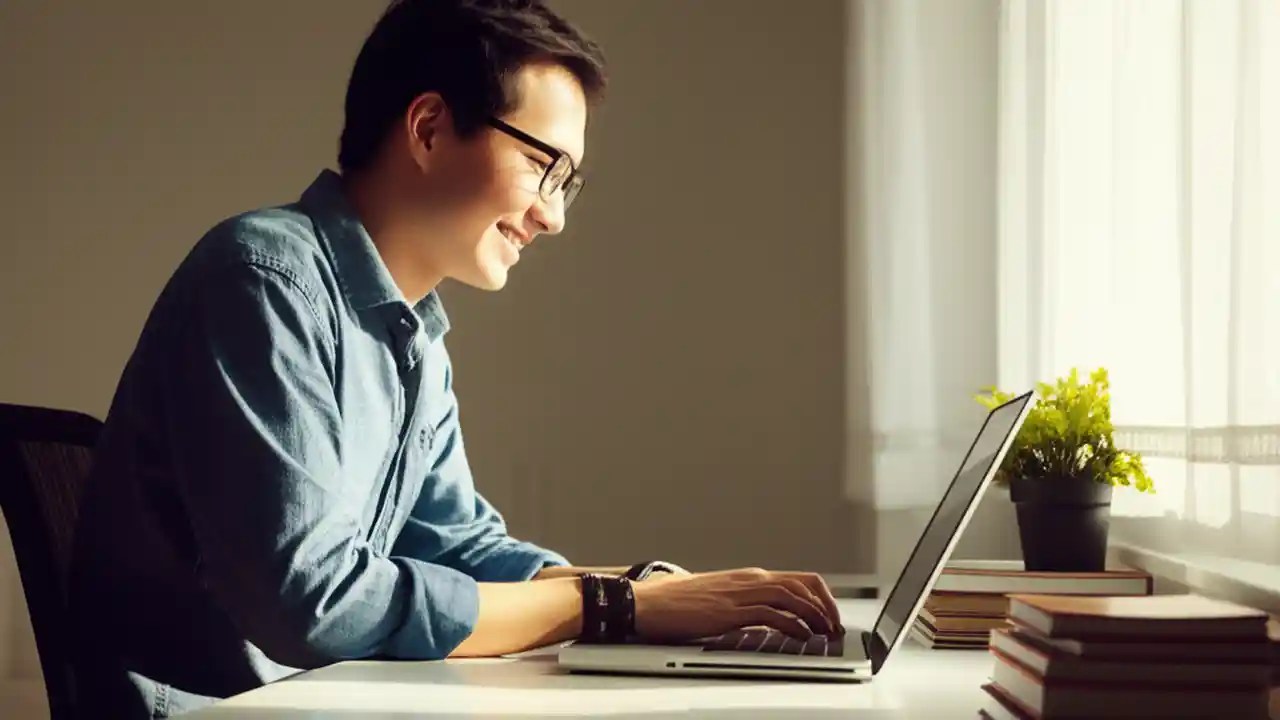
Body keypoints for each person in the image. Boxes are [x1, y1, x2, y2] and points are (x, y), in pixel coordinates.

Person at [68, 1, 842, 717]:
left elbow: (458, 545)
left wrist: (647, 589)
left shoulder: (411, 334)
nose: (554, 214)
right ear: (431, 128)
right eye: (545, 166)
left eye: (570, 181)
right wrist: (610, 607)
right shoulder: (264, 280)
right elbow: (312, 602)